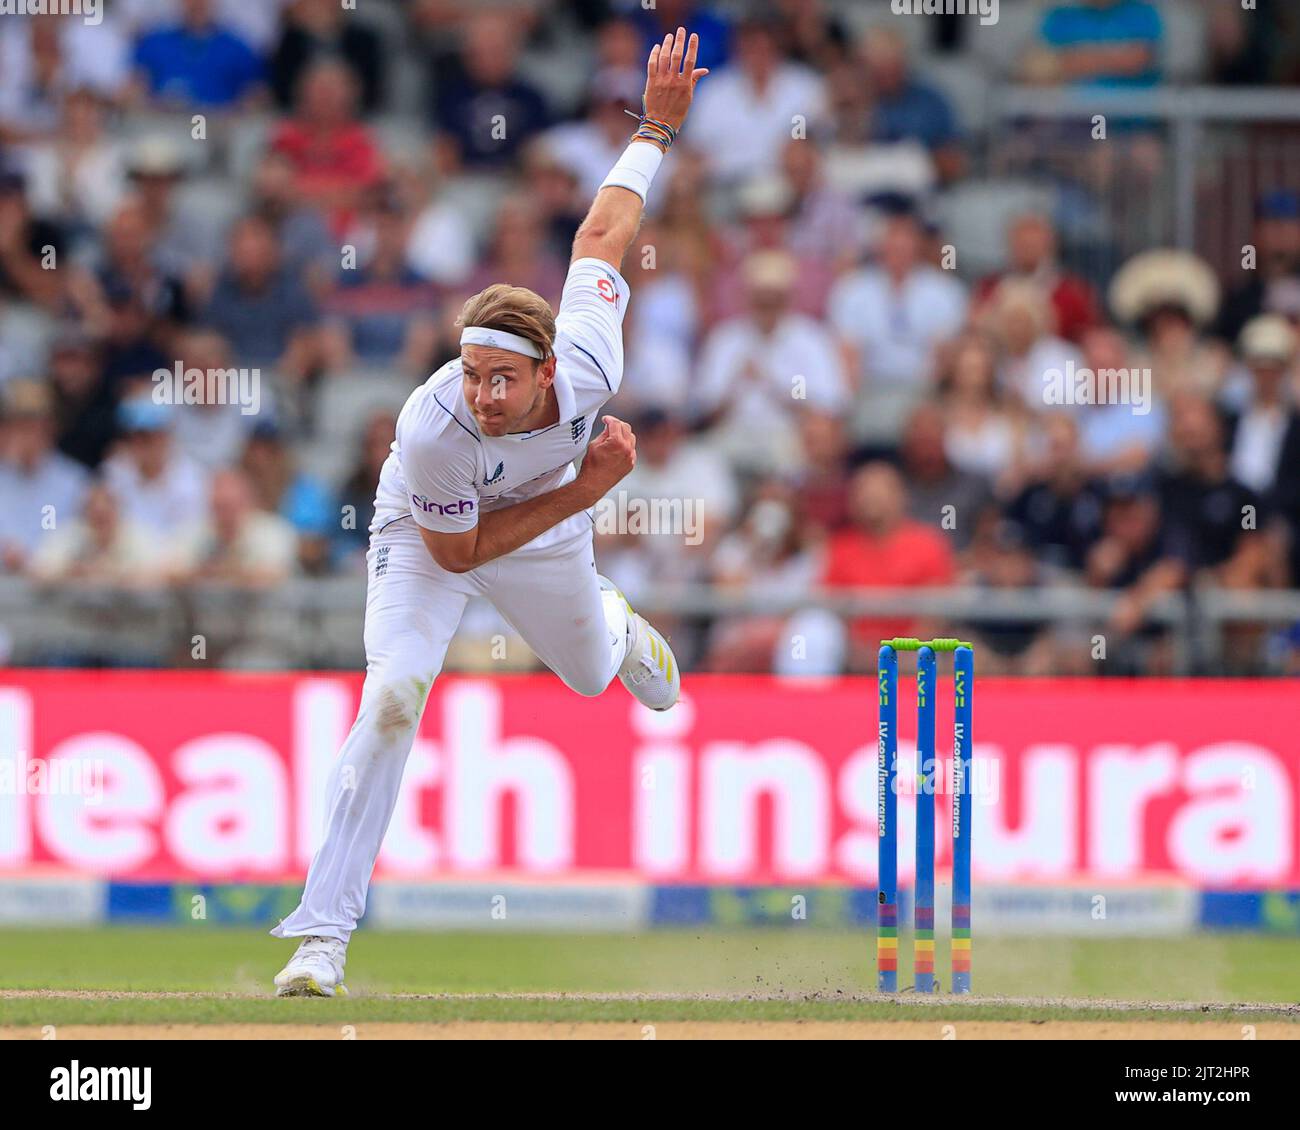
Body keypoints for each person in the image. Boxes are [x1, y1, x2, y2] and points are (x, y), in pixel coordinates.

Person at [271, 28, 709, 998]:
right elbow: (460, 549)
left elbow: (598, 233)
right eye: (470, 373)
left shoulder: (593, 354)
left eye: (502, 379)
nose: (483, 395)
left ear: (549, 370)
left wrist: (653, 130)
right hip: (433, 531)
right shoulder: (433, 428)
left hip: (545, 529)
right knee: (391, 698)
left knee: (593, 676)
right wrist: (586, 490)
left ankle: (614, 623)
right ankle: (322, 937)